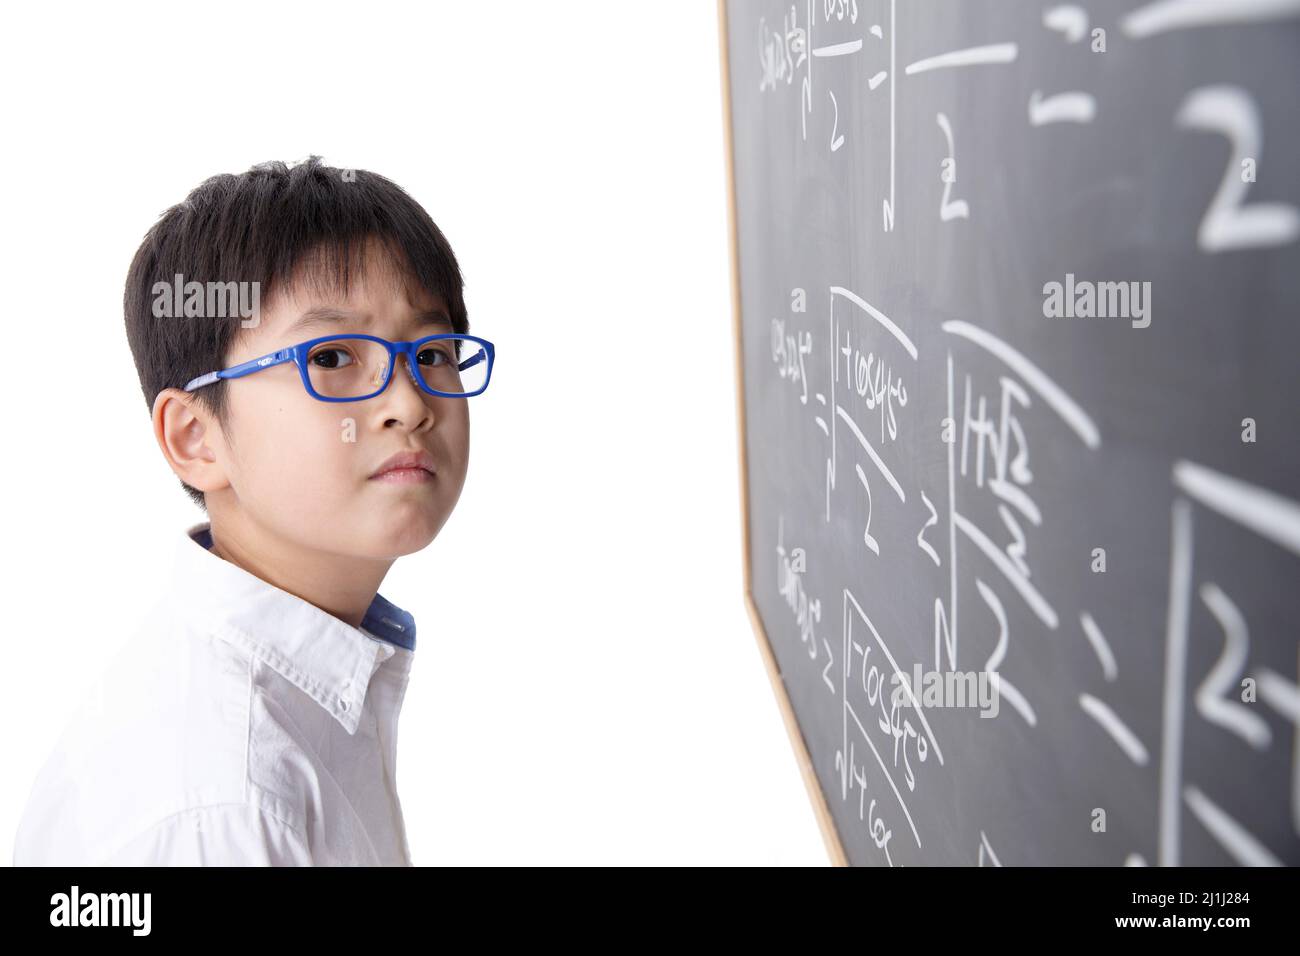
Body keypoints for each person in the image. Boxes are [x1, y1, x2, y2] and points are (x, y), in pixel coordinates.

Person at [12, 156, 494, 865]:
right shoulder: (220, 807)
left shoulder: (294, 704)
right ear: (195, 437)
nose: (409, 404)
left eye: (433, 352)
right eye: (332, 356)